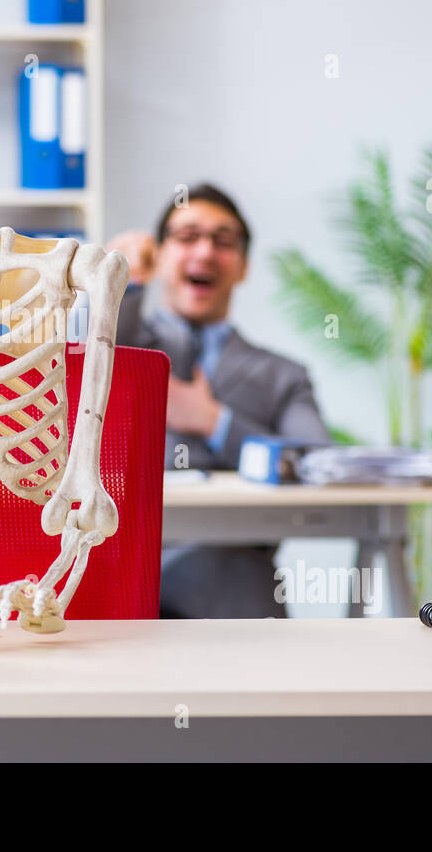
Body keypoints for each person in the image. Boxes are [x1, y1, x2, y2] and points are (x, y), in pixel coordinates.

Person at [107, 184, 332, 618]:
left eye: (223, 241)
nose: (206, 252)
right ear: (161, 255)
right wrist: (124, 281)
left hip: (237, 586)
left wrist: (215, 422)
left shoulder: (283, 375)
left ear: (243, 267)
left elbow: (319, 462)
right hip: (121, 577)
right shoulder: (120, 342)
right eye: (187, 237)